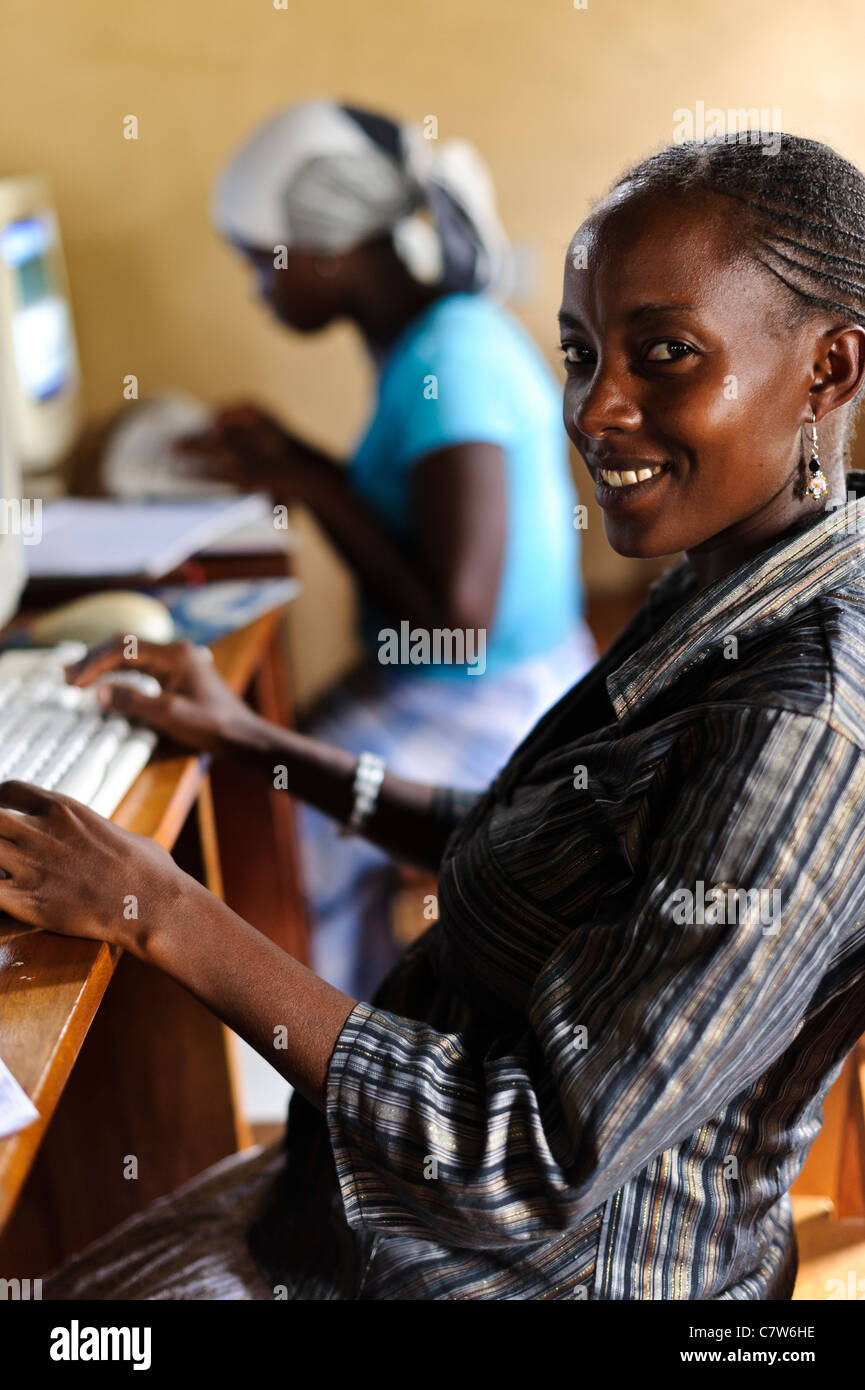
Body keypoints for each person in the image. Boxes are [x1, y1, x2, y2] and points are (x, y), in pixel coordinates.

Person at [9, 129, 865, 1300]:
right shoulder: (731, 566)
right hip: (387, 1202)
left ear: (829, 371)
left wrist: (161, 909)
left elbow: (534, 1162)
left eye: (664, 353)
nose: (596, 410)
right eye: (579, 353)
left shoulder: (800, 727)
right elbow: (544, 848)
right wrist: (260, 746)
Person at [181, 99, 596, 998]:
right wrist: (297, 462)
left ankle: (318, 1067)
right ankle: (360, 1016)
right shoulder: (430, 340)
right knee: (256, 756)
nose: (257, 287)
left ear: (329, 251)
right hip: (477, 682)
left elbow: (457, 622)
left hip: (496, 701)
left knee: (260, 817)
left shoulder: (453, 360)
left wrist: (309, 479)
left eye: (262, 262)